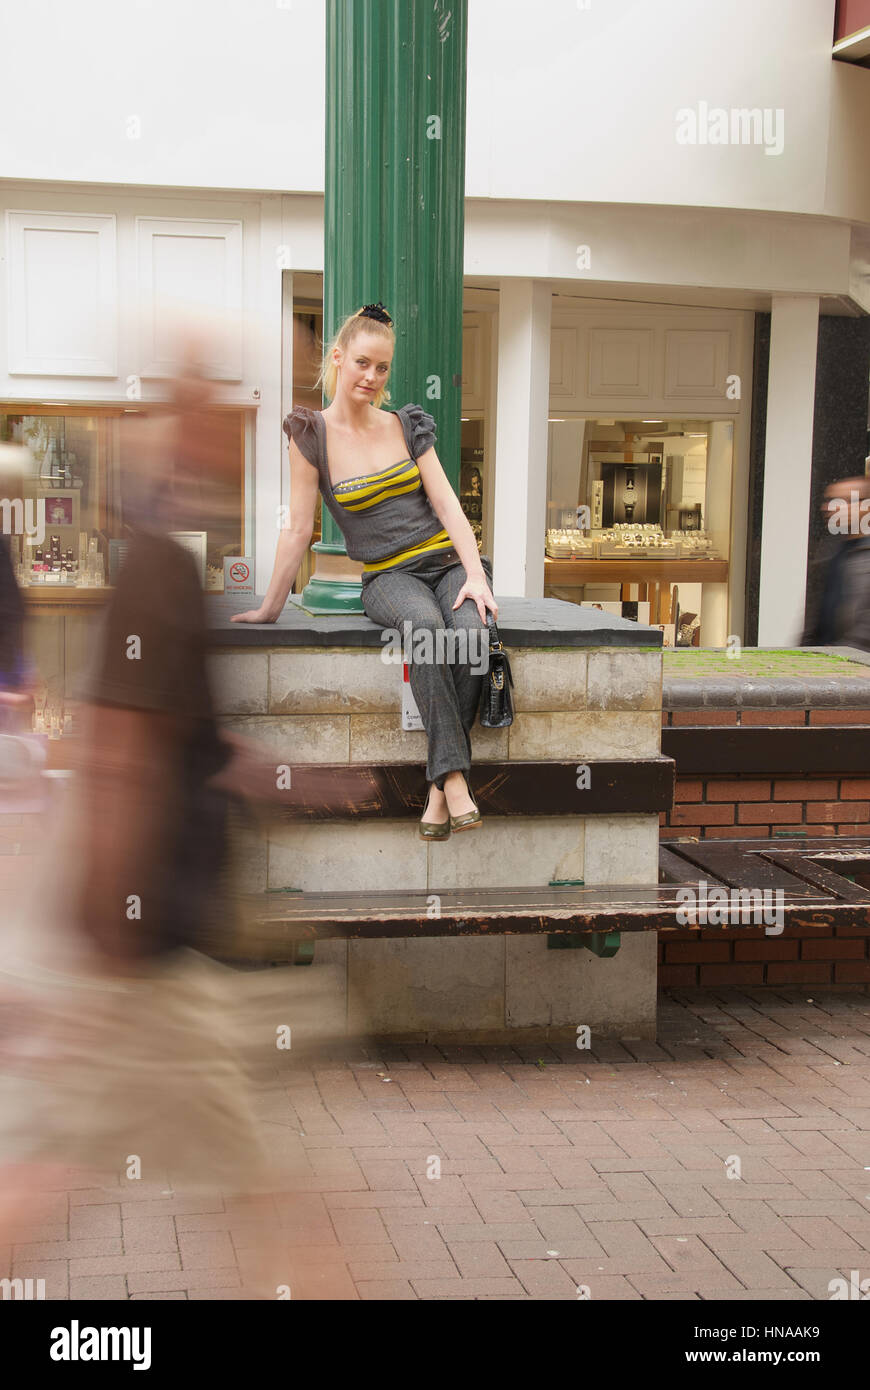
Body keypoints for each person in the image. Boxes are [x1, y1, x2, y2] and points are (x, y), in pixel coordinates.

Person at [232, 302, 499, 839]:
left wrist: (476, 575)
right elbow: (297, 528)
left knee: (471, 636)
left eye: (382, 368)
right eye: (361, 363)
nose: (372, 377)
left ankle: (439, 787)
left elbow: (449, 506)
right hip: (388, 578)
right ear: (337, 359)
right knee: (424, 632)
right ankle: (452, 776)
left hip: (449, 564)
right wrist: (270, 606)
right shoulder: (310, 435)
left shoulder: (406, 425)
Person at [802, 475, 870, 652]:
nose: (830, 508)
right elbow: (814, 617)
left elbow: (865, 631)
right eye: (830, 501)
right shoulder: (830, 552)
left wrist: (840, 658)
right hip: (826, 662)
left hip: (854, 667)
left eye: (844, 501)